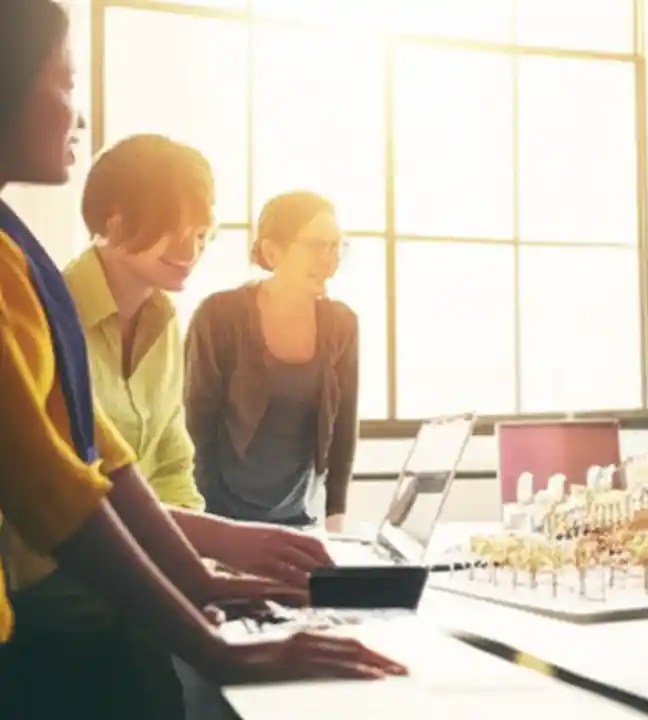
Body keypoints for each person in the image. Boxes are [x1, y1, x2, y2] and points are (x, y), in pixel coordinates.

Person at [0, 1, 403, 717]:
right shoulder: (41, 280)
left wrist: (209, 576)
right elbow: (55, 488)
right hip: (44, 619)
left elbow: (109, 457)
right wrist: (212, 628)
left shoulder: (24, 260)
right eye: (63, 84)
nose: (78, 116)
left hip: (107, 604)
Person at [186, 191, 357, 532]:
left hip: (297, 517)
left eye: (337, 246)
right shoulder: (220, 315)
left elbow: (344, 421)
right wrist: (205, 521)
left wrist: (336, 513)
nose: (330, 259)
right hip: (223, 514)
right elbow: (196, 422)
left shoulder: (341, 323)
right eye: (317, 245)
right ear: (271, 251)